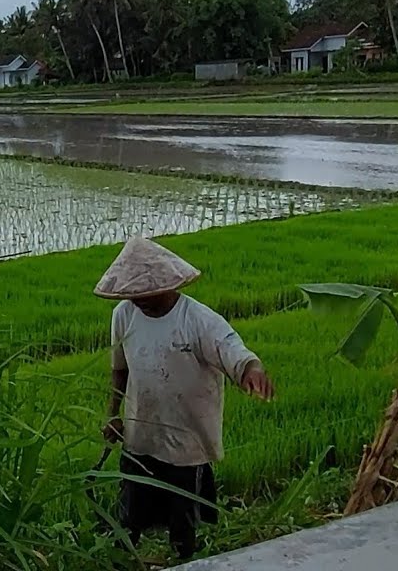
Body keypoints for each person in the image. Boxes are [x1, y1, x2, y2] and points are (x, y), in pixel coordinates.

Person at [95, 236, 275, 560]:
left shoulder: (197, 320)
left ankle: (184, 561)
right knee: (129, 516)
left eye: (147, 293)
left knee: (183, 522)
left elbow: (231, 347)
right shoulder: (123, 315)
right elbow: (119, 370)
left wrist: (251, 368)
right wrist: (113, 413)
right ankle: (124, 561)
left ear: (168, 283)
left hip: (187, 439)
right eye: (133, 294)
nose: (140, 300)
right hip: (141, 434)